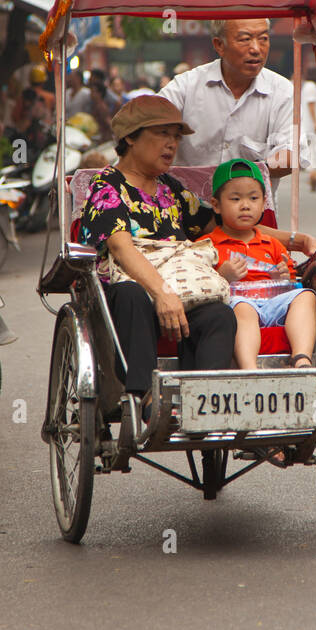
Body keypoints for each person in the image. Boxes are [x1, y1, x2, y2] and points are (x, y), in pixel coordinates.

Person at [76, 96, 238, 413]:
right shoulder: (107, 185)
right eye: (162, 133)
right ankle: (144, 399)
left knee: (219, 316)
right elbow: (121, 247)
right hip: (125, 295)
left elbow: (219, 222)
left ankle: (202, 403)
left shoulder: (169, 188)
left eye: (176, 136)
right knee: (133, 294)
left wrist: (292, 239)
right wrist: (161, 293)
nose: (172, 144)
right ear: (130, 138)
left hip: (178, 289)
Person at [159, 19, 306, 196]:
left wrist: (238, 176)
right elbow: (149, 127)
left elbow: (292, 153)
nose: (256, 48)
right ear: (219, 45)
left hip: (250, 213)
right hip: (185, 210)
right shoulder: (186, 86)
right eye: (245, 39)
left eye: (263, 39)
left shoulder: (282, 91)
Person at [205, 158, 316, 370]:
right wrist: (221, 275)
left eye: (253, 198)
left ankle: (302, 358)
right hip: (236, 303)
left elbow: (290, 280)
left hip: (272, 302)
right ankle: (250, 369)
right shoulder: (207, 246)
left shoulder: (272, 244)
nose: (246, 205)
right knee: (244, 309)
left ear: (263, 202)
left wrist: (283, 277)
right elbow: (199, 285)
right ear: (216, 205)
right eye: (236, 199)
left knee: (306, 296)